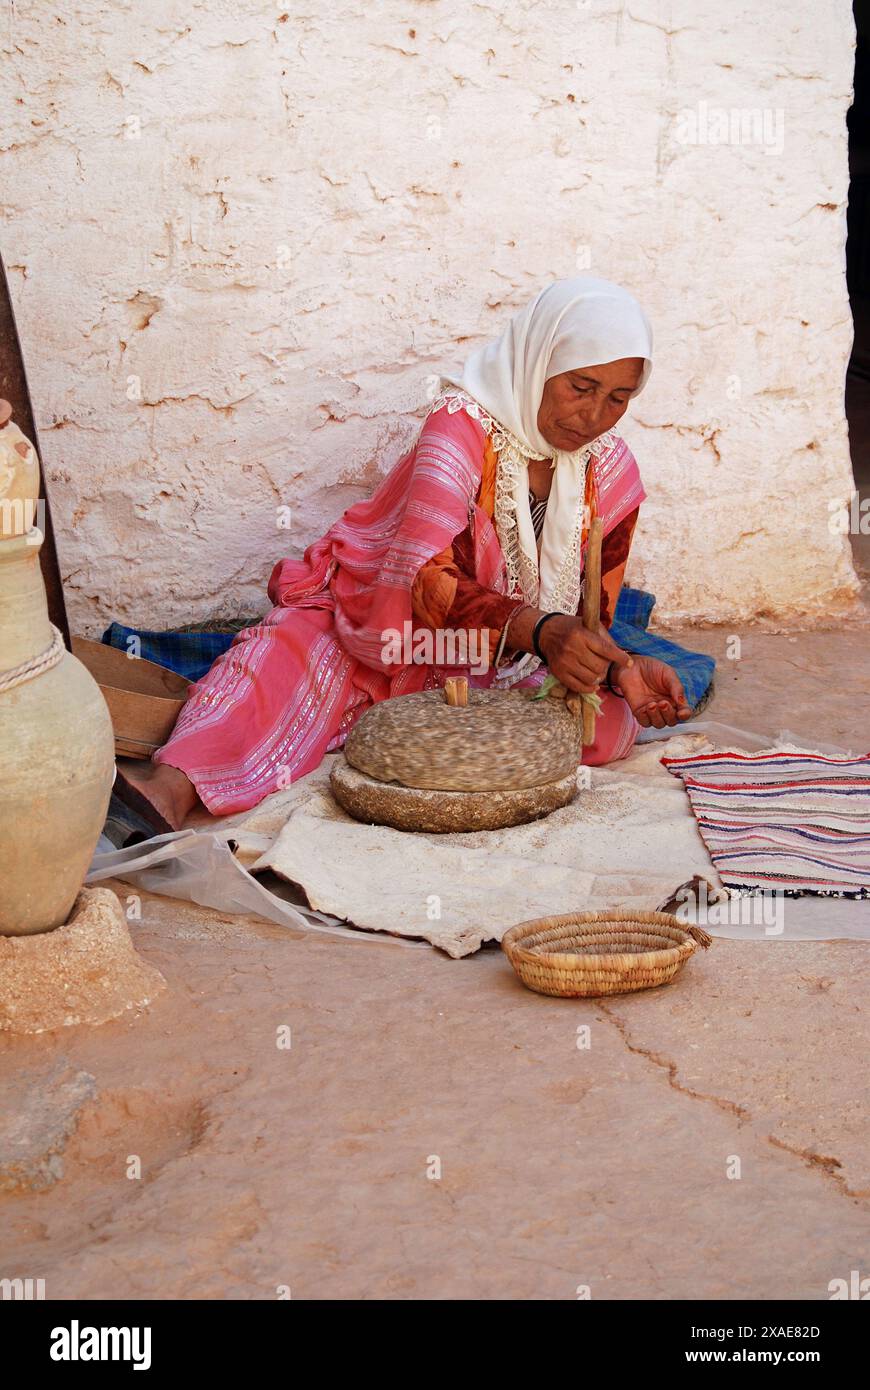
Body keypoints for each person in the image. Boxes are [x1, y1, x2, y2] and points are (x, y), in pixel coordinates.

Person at [120, 276, 692, 831]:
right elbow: (424, 581)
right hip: (388, 626)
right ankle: (170, 790)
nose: (593, 416)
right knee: (289, 652)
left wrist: (617, 667)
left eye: (618, 398)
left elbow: (593, 618)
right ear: (537, 363)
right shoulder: (462, 428)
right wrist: (543, 632)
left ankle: (361, 726)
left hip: (498, 657)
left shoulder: (611, 470)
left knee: (606, 725)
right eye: (581, 387)